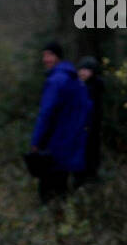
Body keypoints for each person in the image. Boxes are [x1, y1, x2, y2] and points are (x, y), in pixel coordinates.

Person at [28, 41, 91, 202]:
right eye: (44, 55)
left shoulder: (56, 80)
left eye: (49, 55)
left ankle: (50, 220)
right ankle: (63, 220)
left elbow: (46, 112)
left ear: (57, 57)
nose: (45, 59)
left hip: (55, 142)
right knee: (62, 186)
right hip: (71, 141)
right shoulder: (75, 80)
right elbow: (86, 107)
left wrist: (36, 141)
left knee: (48, 188)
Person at [75, 56, 103, 186]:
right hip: (82, 131)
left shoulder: (94, 88)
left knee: (90, 161)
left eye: (86, 70)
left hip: (90, 131)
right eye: (81, 69)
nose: (82, 72)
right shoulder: (80, 87)